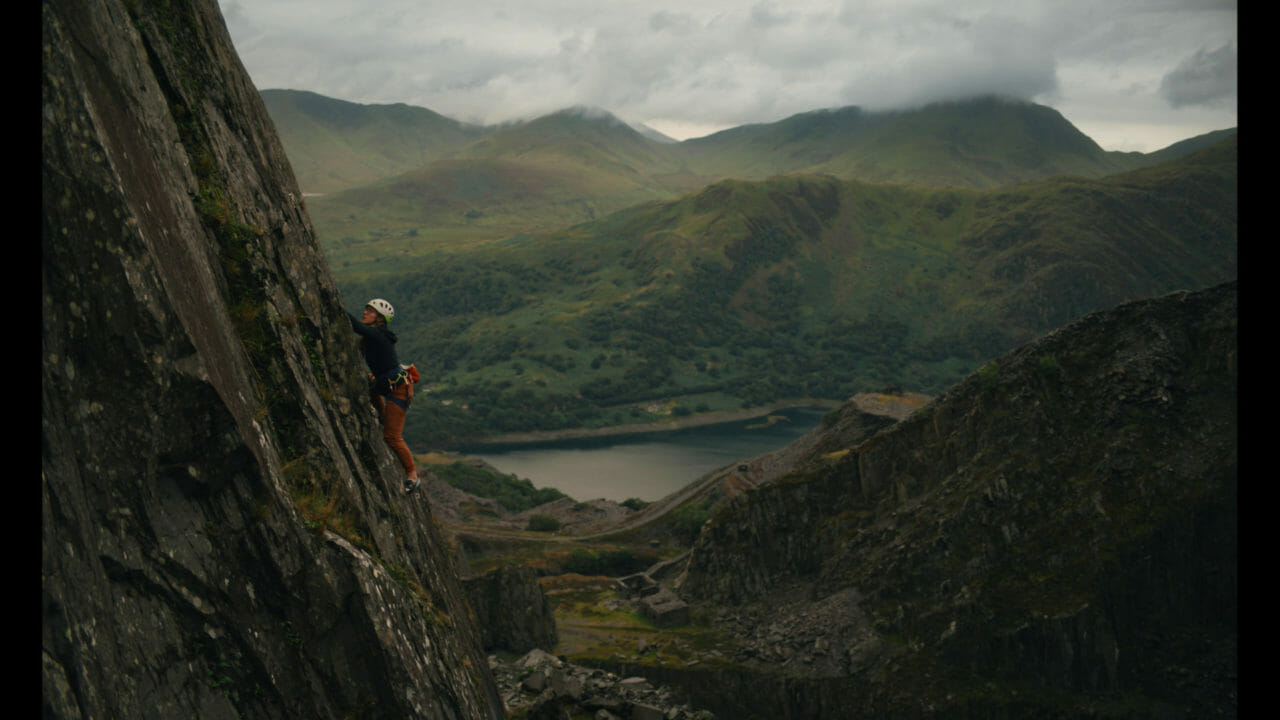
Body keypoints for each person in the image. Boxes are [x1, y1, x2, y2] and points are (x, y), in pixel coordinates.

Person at [349, 298, 420, 493]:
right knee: (369, 387)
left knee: (392, 436)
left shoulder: (377, 335)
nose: (365, 313)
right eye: (366, 309)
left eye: (370, 312)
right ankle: (380, 416)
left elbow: (357, 326)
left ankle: (412, 474)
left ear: (379, 319)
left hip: (399, 390)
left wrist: (335, 307)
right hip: (386, 384)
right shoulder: (375, 335)